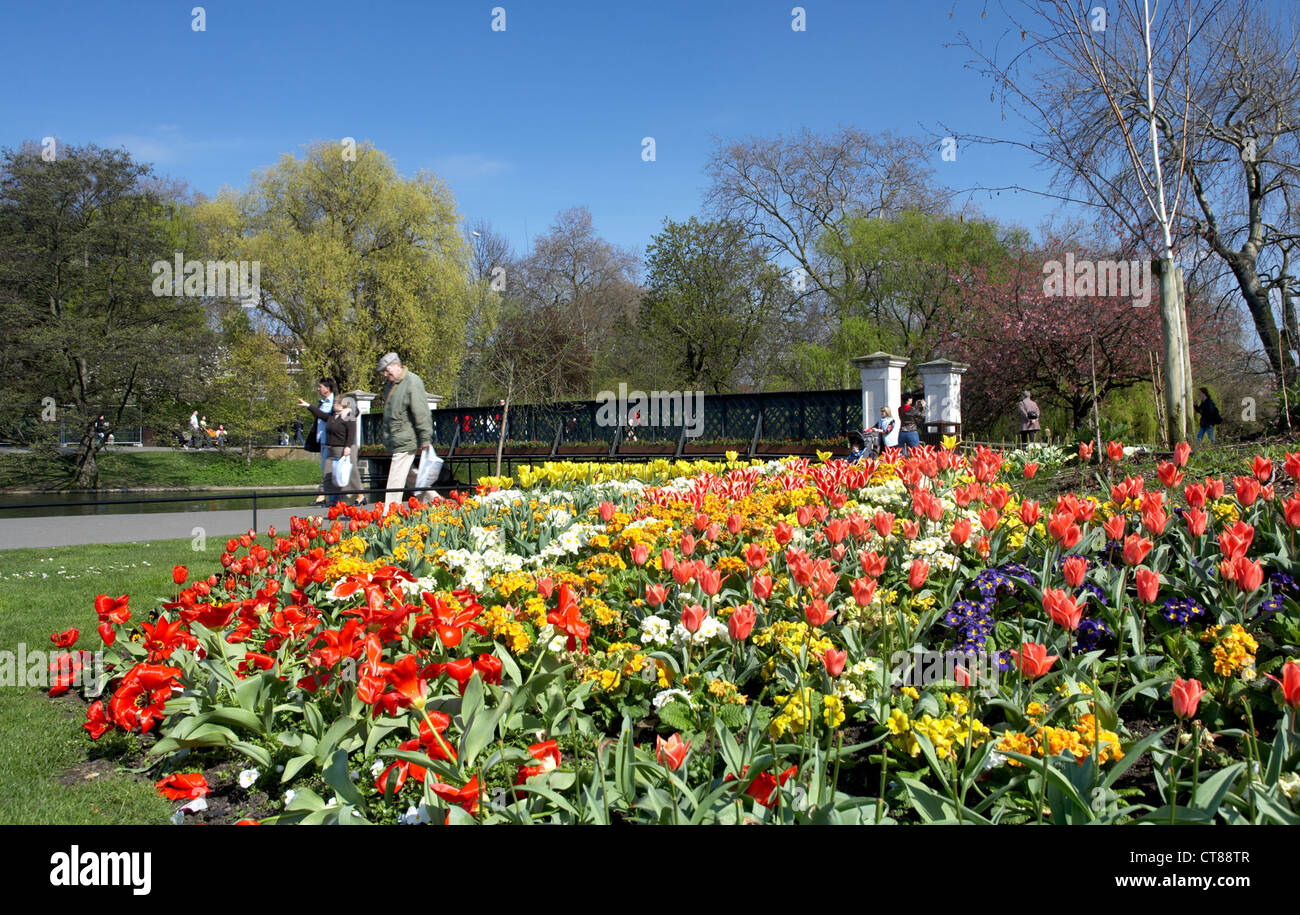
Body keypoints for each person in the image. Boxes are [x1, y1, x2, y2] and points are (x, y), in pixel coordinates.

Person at [378, 352, 435, 508]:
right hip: (398, 439)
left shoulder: (412, 382)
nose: (385, 374)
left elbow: (421, 412)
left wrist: (425, 439)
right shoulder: (393, 385)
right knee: (411, 477)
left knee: (395, 478)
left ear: (397, 365)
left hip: (406, 439)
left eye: (386, 370)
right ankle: (437, 502)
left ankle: (389, 513)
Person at [300, 394, 363, 506]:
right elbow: (320, 414)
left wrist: (348, 446)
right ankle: (322, 496)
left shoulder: (349, 415)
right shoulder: (332, 417)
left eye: (336, 403)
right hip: (331, 449)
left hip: (343, 448)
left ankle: (359, 496)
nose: (333, 405)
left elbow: (351, 432)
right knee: (327, 473)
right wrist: (307, 405)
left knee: (351, 474)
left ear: (341, 405)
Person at [313, 378, 336, 503]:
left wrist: (309, 407)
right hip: (322, 440)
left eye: (320, 386)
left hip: (331, 441)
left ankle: (323, 497)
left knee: (327, 468)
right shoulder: (322, 402)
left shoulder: (335, 402)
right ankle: (331, 498)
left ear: (327, 388)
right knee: (326, 469)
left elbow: (327, 418)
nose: (318, 389)